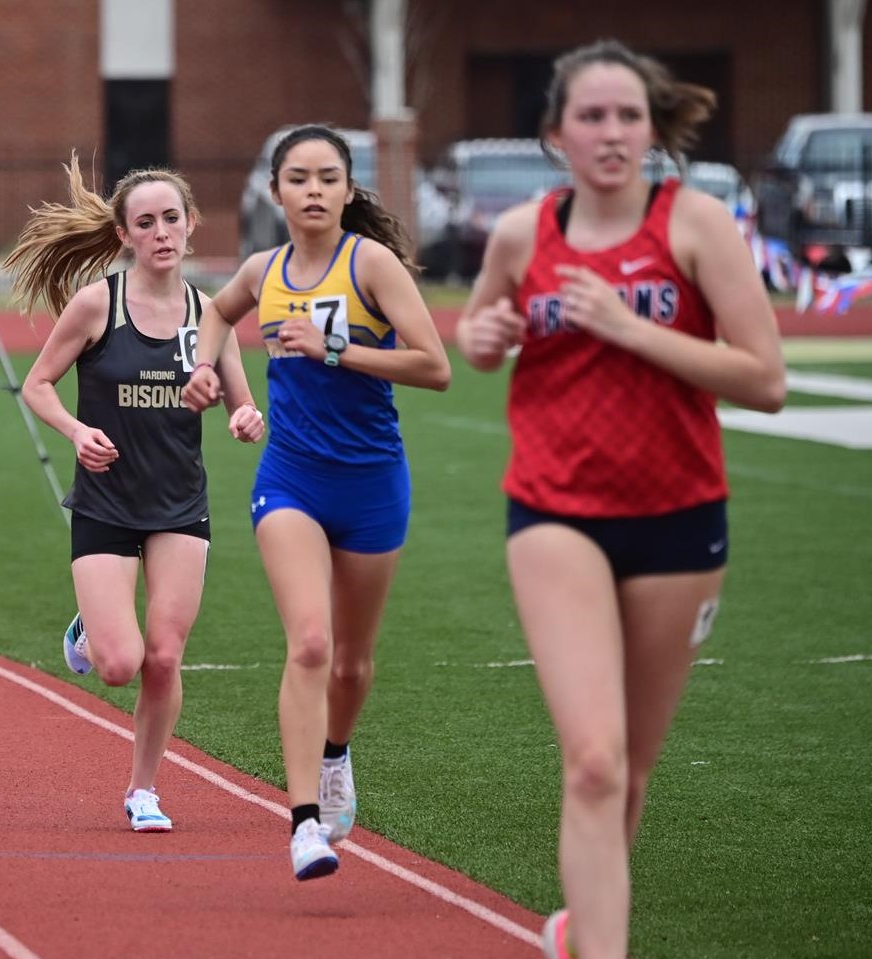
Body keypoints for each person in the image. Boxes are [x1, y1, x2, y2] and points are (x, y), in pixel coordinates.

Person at [453, 40, 785, 959]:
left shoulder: (697, 224)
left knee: (628, 771)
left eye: (628, 115)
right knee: (593, 759)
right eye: (591, 117)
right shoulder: (526, 232)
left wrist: (629, 327)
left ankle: (577, 928)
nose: (611, 133)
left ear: (651, 126)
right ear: (556, 134)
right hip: (555, 510)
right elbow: (483, 335)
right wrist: (484, 334)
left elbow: (764, 380)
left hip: (680, 518)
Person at [181, 125, 450, 880]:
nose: (314, 191)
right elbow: (216, 309)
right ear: (276, 192)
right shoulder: (263, 270)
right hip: (290, 477)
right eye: (299, 178)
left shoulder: (373, 265)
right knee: (309, 642)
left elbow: (435, 366)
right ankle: (304, 823)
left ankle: (336, 754)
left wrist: (334, 349)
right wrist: (206, 368)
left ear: (350, 190)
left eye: (329, 178)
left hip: (370, 481)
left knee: (353, 663)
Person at [4, 156, 265, 833]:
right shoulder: (99, 303)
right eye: (145, 222)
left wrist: (244, 417)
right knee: (118, 665)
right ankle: (91, 625)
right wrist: (74, 428)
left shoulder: (210, 314)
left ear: (191, 225)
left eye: (171, 219)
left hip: (180, 504)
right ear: (124, 234)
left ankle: (143, 788)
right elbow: (36, 385)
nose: (161, 233)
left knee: (166, 654)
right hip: (106, 503)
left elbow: (243, 405)